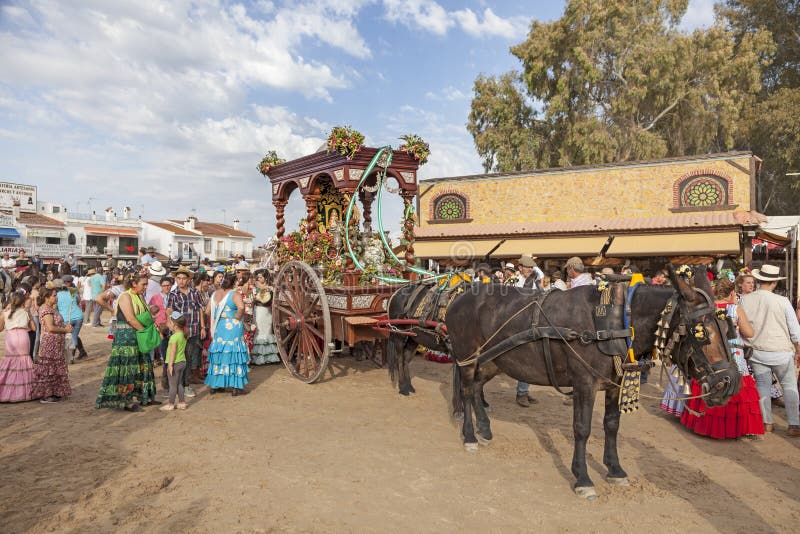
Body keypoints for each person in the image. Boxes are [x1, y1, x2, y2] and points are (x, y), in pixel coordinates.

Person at [680, 279, 763, 439]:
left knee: (710, 382)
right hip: (733, 353)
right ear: (732, 293)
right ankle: (735, 428)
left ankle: (706, 426)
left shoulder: (707, 309)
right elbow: (749, 333)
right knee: (735, 385)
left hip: (711, 353)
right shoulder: (735, 309)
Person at [739, 264, 800, 437]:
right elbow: (795, 330)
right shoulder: (782, 301)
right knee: (789, 386)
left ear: (759, 280)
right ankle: (794, 424)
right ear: (774, 283)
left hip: (756, 350)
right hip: (781, 350)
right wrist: (798, 349)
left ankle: (767, 423)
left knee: (763, 386)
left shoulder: (746, 300)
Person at [95, 273, 159, 411]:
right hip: (127, 337)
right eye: (144, 284)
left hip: (136, 334)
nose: (146, 287)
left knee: (143, 364)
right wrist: (145, 332)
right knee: (128, 367)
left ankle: (145, 396)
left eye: (146, 284)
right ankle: (126, 401)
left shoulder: (139, 296)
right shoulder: (125, 296)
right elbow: (130, 318)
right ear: (134, 284)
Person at [205, 274, 250, 395]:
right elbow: (241, 307)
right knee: (234, 354)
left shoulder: (215, 294)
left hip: (219, 327)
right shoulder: (234, 294)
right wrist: (236, 318)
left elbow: (207, 311)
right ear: (234, 282)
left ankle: (216, 384)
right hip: (233, 327)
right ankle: (235, 386)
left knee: (219, 354)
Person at [166, 266, 206, 396]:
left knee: (188, 359)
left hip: (193, 330)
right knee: (176, 359)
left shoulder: (195, 292)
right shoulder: (173, 294)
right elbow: (169, 311)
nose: (181, 281)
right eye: (179, 278)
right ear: (176, 279)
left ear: (189, 279)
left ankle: (186, 385)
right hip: (179, 332)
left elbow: (200, 309)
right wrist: (171, 326)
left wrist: (203, 327)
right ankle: (174, 385)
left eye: (184, 278)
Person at [30, 288, 72, 403]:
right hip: (50, 343)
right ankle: (46, 394)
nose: (56, 297)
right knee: (49, 369)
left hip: (56, 344)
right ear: (46, 297)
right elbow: (50, 327)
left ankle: (55, 392)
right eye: (54, 295)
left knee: (55, 367)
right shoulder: (45, 309)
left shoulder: (51, 309)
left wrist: (65, 328)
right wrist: (65, 330)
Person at [0, 290, 36, 402]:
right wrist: (29, 314)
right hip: (23, 337)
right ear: (23, 302)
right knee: (24, 361)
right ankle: (26, 392)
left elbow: (0, 328)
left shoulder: (5, 313)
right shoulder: (25, 312)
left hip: (11, 338)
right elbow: (34, 328)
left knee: (10, 362)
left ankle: (8, 392)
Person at [160, 312, 189, 412]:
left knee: (172, 385)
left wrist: (170, 365)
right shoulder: (183, 335)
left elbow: (172, 352)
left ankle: (171, 404)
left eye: (169, 322)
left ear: (175, 325)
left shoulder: (174, 337)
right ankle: (182, 402)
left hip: (175, 364)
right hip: (182, 362)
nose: (167, 324)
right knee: (180, 383)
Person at [251, 270, 279, 365]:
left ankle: (270, 357)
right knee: (259, 331)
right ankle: (259, 358)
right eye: (258, 277)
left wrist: (270, 288)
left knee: (267, 332)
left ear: (266, 278)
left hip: (267, 311)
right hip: (258, 310)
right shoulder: (255, 285)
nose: (259, 279)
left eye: (261, 277)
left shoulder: (271, 287)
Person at [57, 276, 87, 362]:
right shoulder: (73, 292)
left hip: (66, 319)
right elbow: (78, 301)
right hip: (78, 317)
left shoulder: (57, 295)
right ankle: (72, 357)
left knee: (66, 338)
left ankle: (68, 357)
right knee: (74, 336)